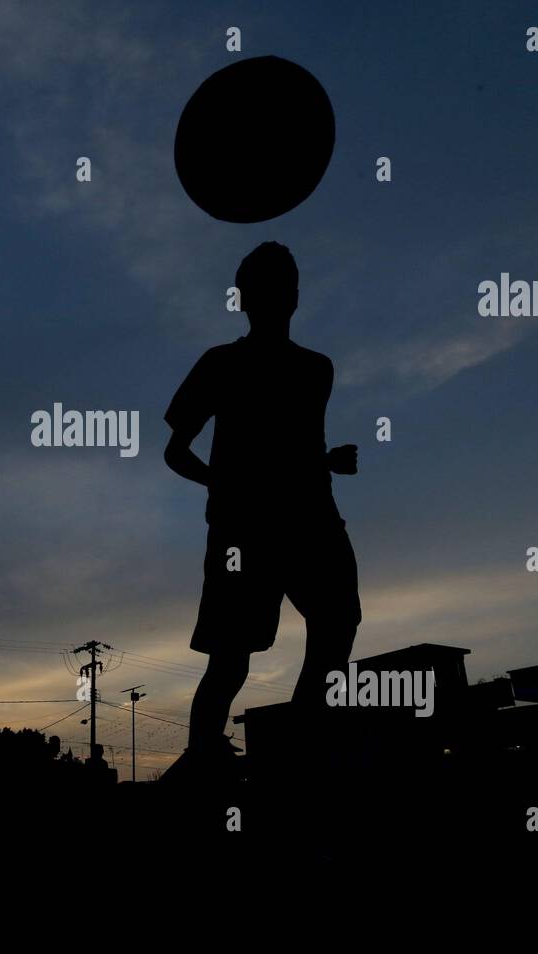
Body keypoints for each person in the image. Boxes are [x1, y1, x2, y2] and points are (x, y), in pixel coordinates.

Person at [162, 241, 361, 781]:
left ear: (294, 297)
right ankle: (205, 756)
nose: (273, 297)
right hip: (242, 531)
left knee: (338, 620)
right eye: (262, 287)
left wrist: (324, 459)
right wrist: (222, 481)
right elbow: (175, 451)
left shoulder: (317, 371)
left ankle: (299, 746)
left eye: (282, 286)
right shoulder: (220, 365)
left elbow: (285, 452)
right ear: (243, 299)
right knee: (230, 660)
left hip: (311, 520)